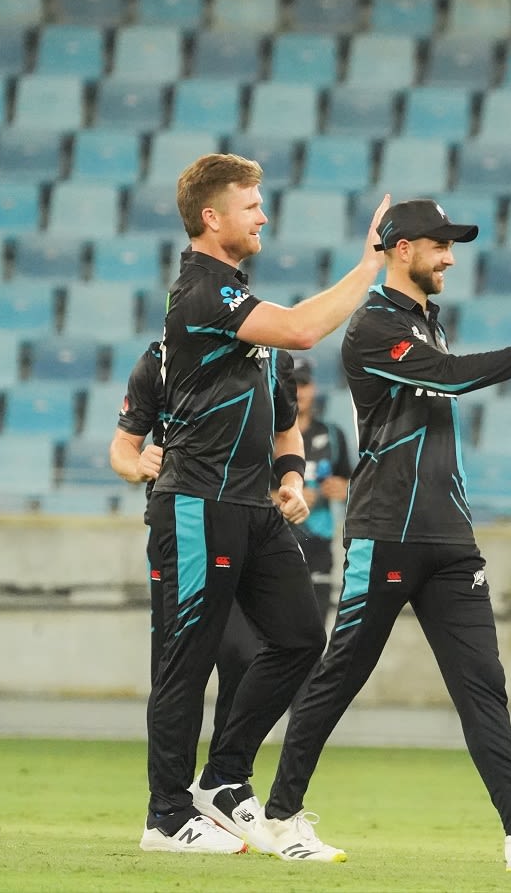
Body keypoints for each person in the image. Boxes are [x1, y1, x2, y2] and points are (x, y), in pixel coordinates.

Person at [262, 198, 511, 871]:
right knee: (339, 675)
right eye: (439, 245)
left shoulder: (428, 321)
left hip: (450, 537)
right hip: (385, 531)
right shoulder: (372, 326)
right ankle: (280, 815)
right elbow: (453, 377)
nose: (451, 256)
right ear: (401, 250)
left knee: (483, 682)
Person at [139, 151, 390, 858]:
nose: (264, 215)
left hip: (252, 504)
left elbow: (280, 412)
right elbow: (305, 330)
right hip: (195, 499)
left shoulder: (235, 300)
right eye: (252, 206)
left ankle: (222, 778)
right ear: (212, 217)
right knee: (186, 660)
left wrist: (288, 472)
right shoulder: (201, 293)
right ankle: (164, 816)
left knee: (300, 637)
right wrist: (367, 266)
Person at [108, 341, 295, 763]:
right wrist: (136, 464)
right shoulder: (163, 357)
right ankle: (170, 800)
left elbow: (286, 429)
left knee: (247, 655)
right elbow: (122, 445)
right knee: (176, 666)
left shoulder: (273, 358)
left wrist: (292, 479)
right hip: (181, 528)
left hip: (244, 527)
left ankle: (222, 780)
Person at [284, 355, 352, 612]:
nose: (297, 392)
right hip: (277, 541)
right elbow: (250, 489)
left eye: (302, 384)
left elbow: (352, 483)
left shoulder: (333, 435)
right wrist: (286, 496)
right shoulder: (268, 434)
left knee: (315, 628)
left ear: (313, 388)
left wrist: (344, 490)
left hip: (319, 542)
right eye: (291, 384)